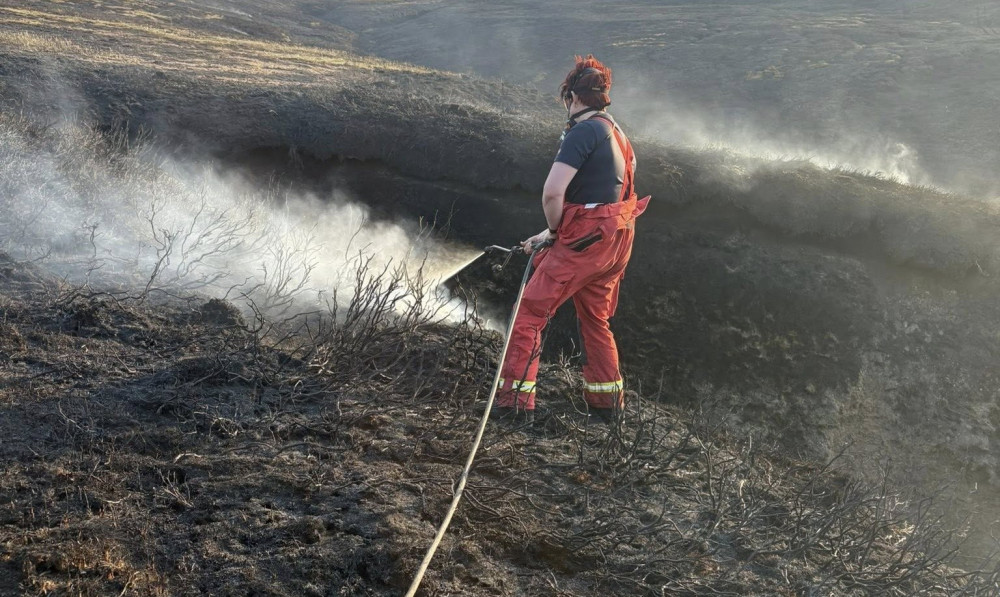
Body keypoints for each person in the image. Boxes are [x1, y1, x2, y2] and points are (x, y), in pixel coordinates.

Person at [493, 54, 650, 425]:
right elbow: (602, 196)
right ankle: (607, 406)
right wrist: (549, 233)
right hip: (616, 238)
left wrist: (553, 232)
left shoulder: (582, 132)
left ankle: (514, 406)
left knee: (528, 314)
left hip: (586, 240)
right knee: (596, 319)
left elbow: (553, 193)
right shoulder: (617, 133)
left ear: (572, 96)